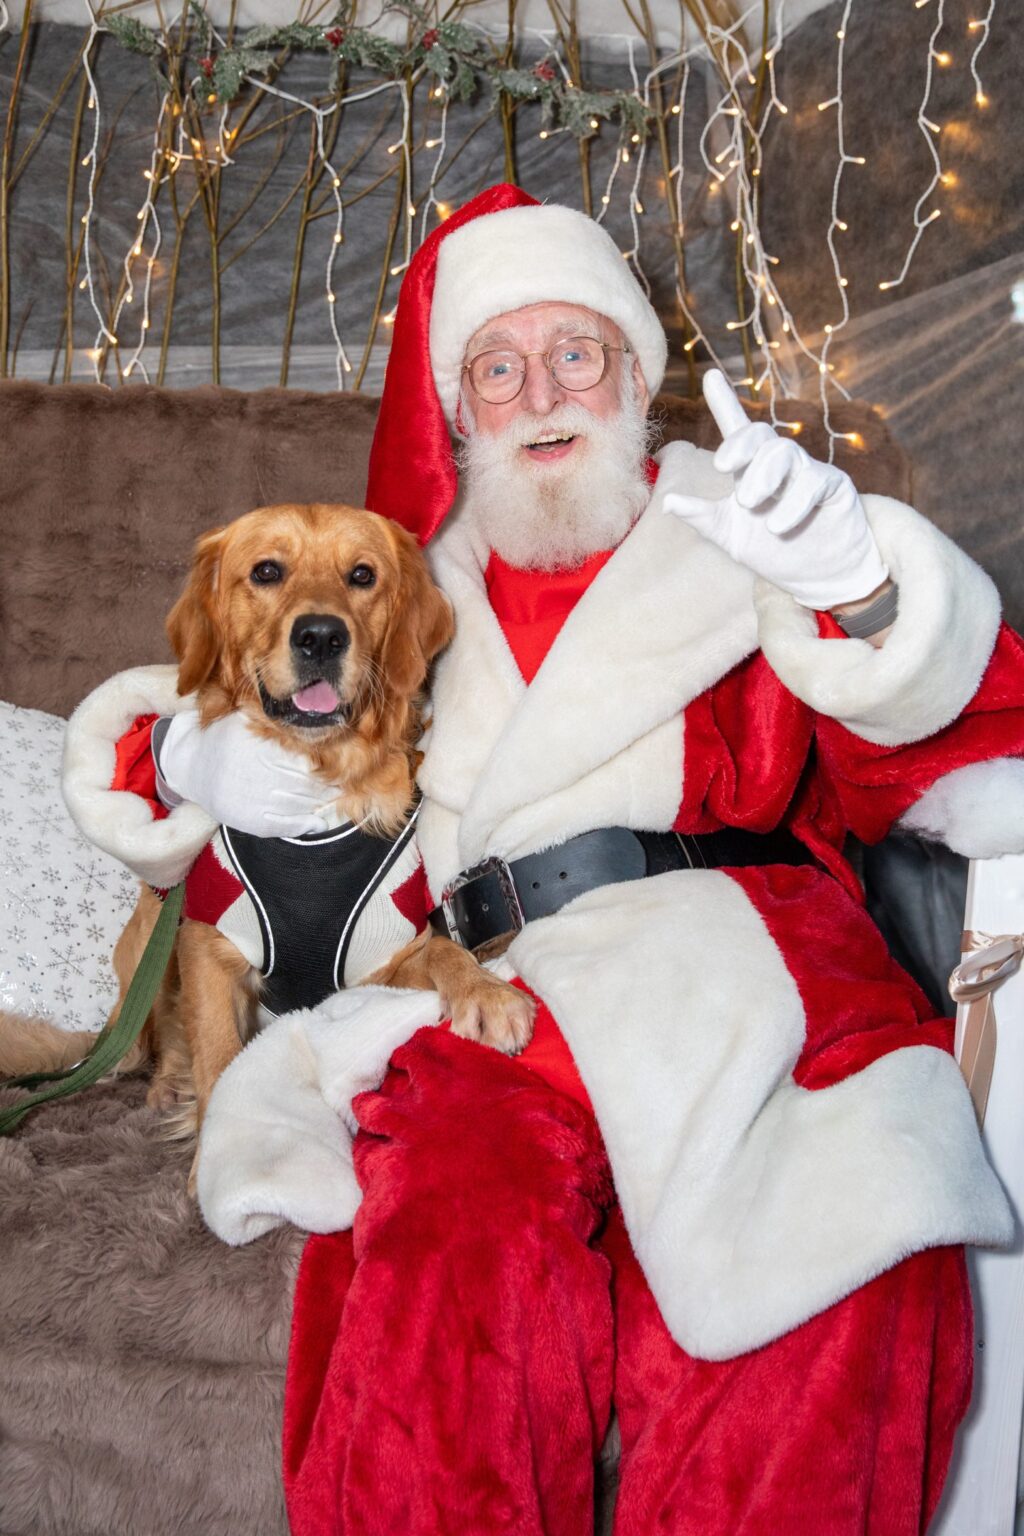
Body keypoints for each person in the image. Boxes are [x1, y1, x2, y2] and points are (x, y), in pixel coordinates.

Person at [64, 184, 1024, 1535]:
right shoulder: (403, 593)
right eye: (498, 368)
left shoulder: (749, 532)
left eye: (577, 352)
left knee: (829, 1273)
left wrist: (863, 593)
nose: (542, 393)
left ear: (637, 377)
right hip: (494, 991)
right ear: (460, 414)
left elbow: (953, 757)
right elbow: (218, 695)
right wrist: (179, 759)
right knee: (448, 1252)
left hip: (747, 966)